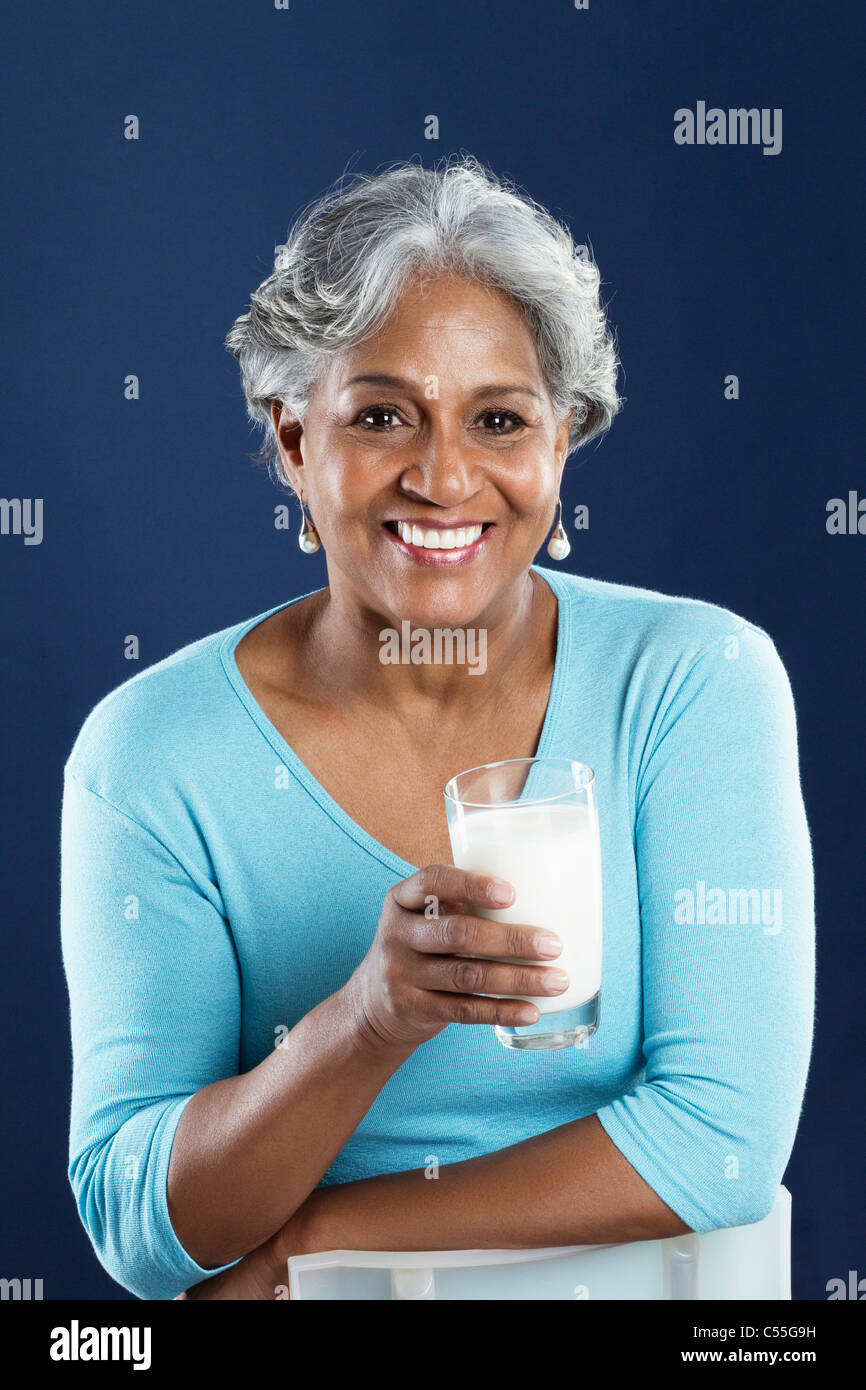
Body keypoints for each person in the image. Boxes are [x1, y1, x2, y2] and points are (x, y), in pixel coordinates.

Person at [60, 155, 814, 1300]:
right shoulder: (151, 755)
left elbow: (717, 1142)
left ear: (558, 445)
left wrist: (315, 1245)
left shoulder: (691, 680)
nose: (443, 475)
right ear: (295, 441)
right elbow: (136, 1221)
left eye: (497, 420)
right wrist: (367, 1020)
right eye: (380, 416)